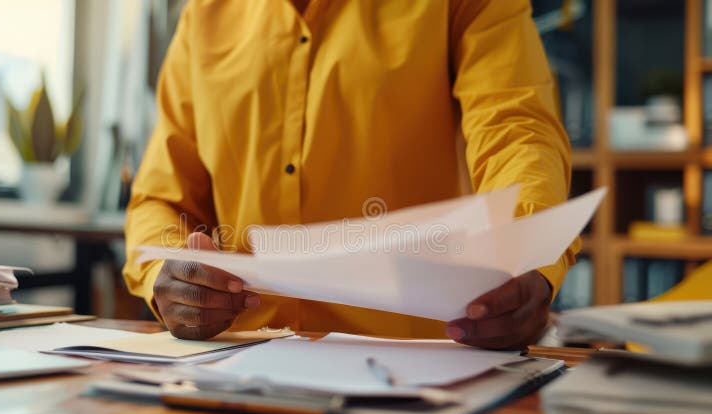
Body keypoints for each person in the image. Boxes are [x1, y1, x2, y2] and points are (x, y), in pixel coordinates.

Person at [123, 0, 579, 350]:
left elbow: (516, 130)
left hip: (417, 372)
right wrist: (171, 272)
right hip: (236, 368)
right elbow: (161, 198)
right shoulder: (204, 16)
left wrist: (525, 252)